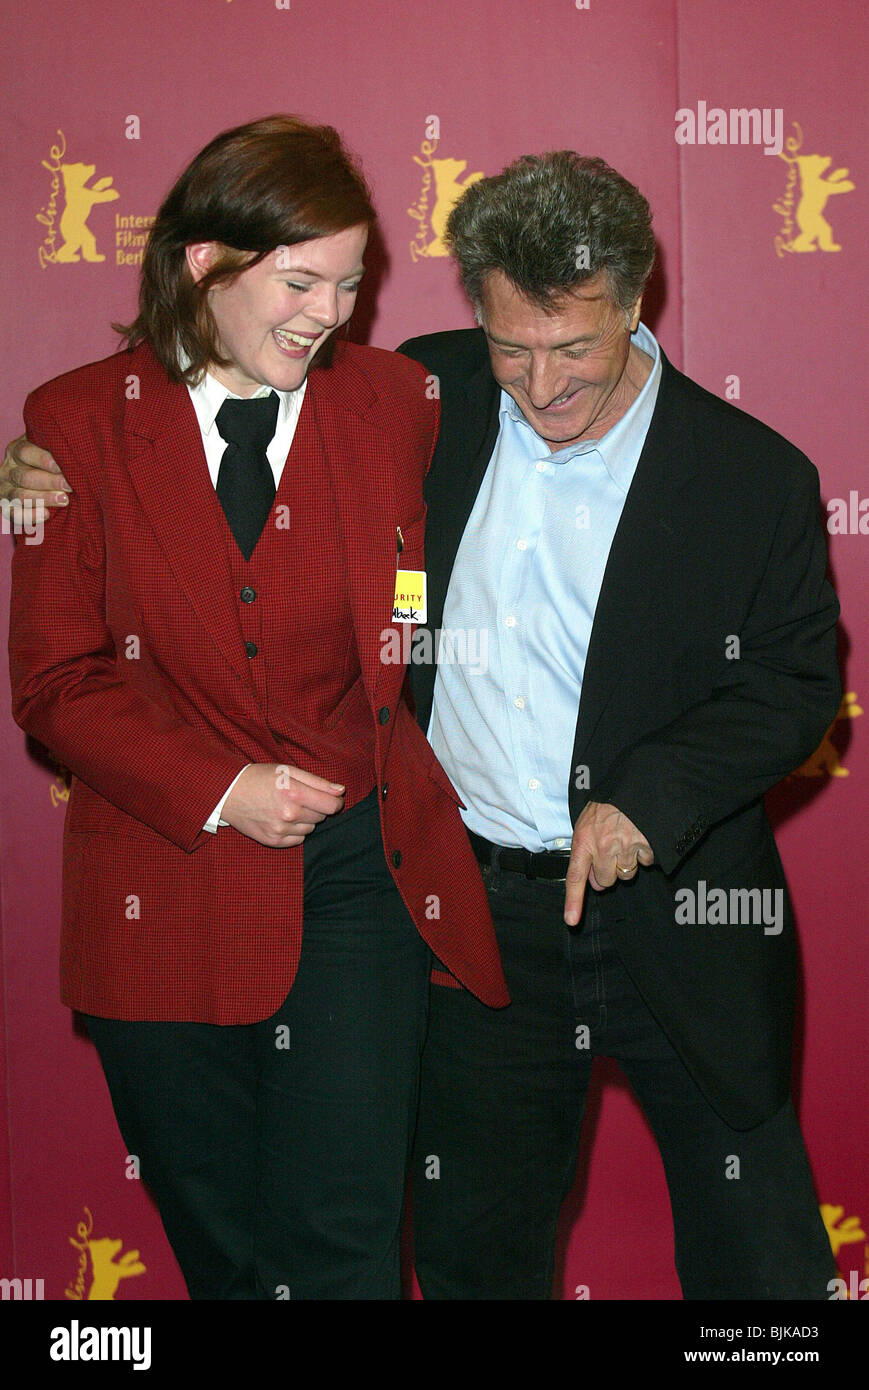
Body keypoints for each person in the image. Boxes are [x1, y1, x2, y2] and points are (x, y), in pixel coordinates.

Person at [4, 150, 840, 1301]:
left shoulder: (752, 478)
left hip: (676, 910)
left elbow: (795, 685)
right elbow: (191, 428)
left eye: (574, 350)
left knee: (760, 1258)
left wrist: (651, 794)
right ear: (473, 317)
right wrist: (37, 474)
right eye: (511, 347)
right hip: (473, 913)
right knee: (473, 1256)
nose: (540, 385)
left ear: (636, 301)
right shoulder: (423, 397)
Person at [2, 114, 506, 1302]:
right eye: (298, 280)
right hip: (160, 883)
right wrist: (221, 790)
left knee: (340, 1250)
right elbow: (55, 677)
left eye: (348, 281)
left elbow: (567, 366)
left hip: (352, 878)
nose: (328, 313)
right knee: (223, 1252)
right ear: (202, 265)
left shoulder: (401, 400)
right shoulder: (74, 424)